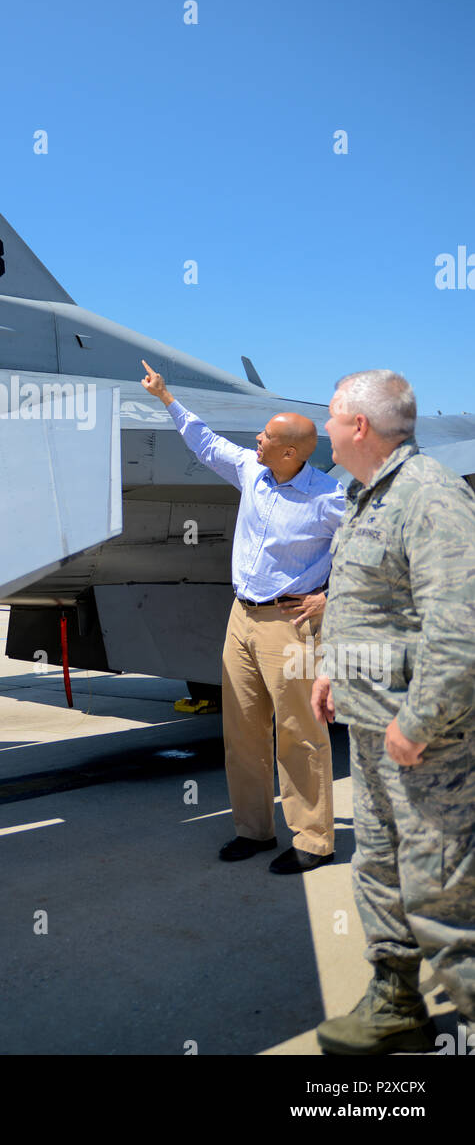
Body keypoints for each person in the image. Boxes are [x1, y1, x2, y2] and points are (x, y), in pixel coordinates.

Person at [312, 369, 475, 1055]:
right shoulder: (362, 496)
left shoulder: (428, 496)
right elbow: (364, 603)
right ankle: (394, 998)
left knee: (441, 892)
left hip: (424, 743)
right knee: (377, 869)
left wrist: (418, 721)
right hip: (369, 728)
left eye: (329, 416)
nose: (322, 427)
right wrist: (328, 669)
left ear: (357, 427)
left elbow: (459, 627)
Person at [141, 359, 347, 873]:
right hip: (242, 619)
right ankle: (253, 830)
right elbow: (206, 443)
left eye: (266, 436)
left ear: (292, 452)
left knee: (300, 732)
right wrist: (167, 398)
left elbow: (379, 549)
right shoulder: (252, 471)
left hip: (291, 625)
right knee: (243, 732)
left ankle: (314, 840)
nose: (256, 440)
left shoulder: (328, 497)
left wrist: (332, 597)